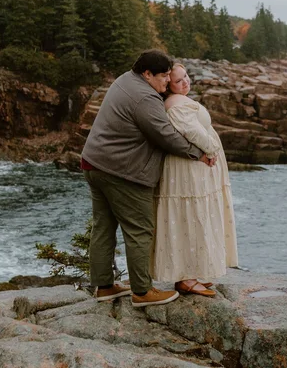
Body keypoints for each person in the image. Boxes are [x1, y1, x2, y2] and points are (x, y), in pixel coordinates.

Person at [81, 50, 215, 308]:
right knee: (140, 230)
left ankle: (104, 286)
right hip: (121, 171)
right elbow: (164, 134)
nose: (167, 81)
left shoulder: (125, 79)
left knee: (103, 227)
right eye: (163, 76)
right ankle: (142, 291)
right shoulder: (145, 97)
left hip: (94, 163)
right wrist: (197, 153)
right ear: (147, 74)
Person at [151, 63, 238, 297]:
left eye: (186, 76)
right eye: (179, 81)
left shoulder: (178, 101)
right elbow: (191, 131)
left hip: (192, 167)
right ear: (169, 85)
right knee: (189, 217)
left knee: (193, 216)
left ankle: (191, 274)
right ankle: (186, 278)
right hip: (187, 170)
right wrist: (212, 150)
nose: (185, 82)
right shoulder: (176, 104)